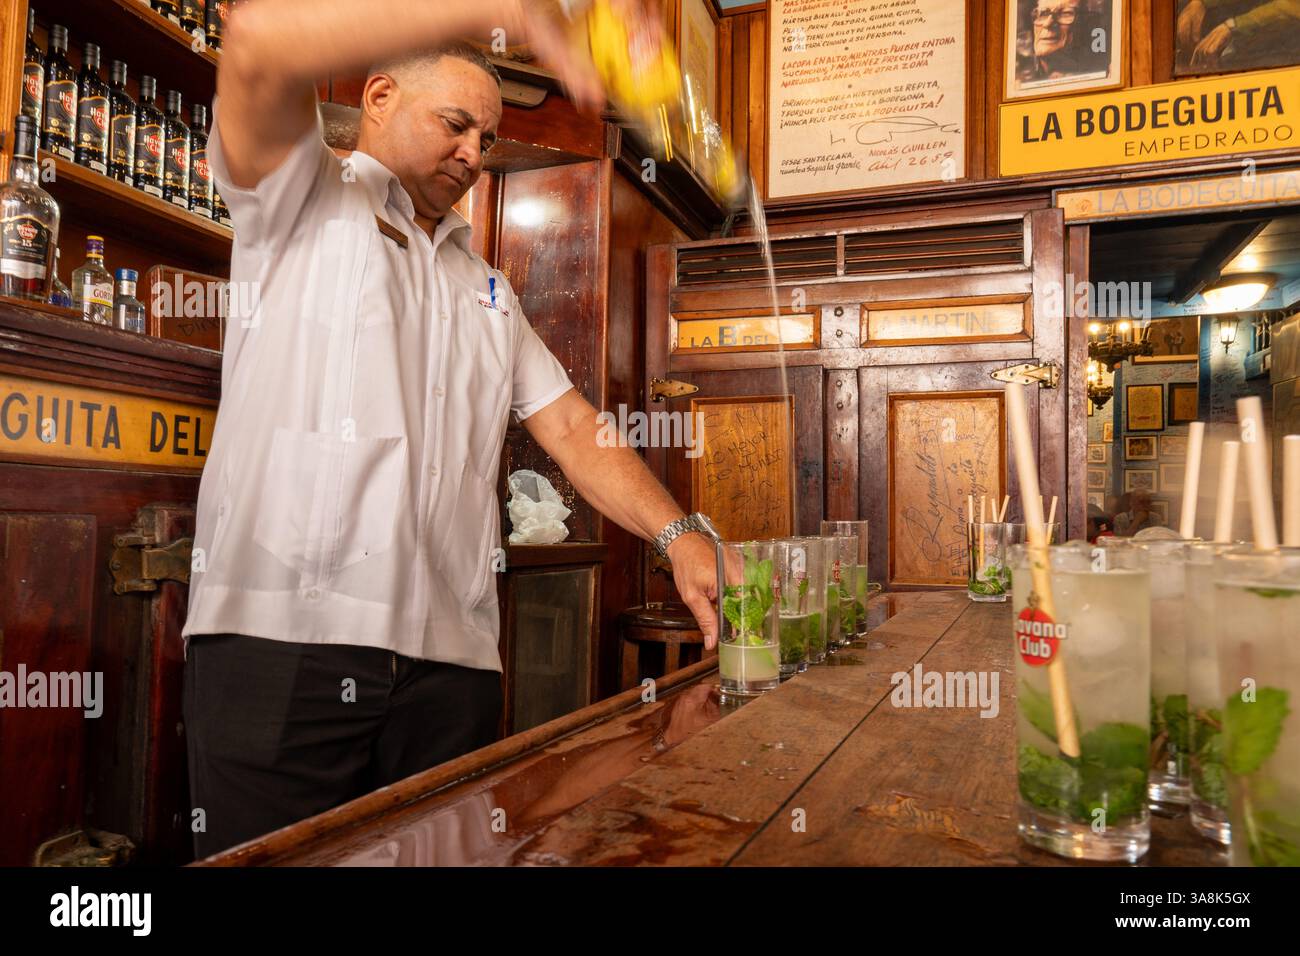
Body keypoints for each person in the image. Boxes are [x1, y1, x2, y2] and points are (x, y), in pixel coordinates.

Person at [181, 0, 721, 858]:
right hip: (285, 648)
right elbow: (254, 44)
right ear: (381, 96)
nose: (474, 153)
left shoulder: (488, 289)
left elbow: (577, 428)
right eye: (456, 124)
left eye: (487, 138)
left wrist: (682, 533)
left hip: (451, 670)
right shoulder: (297, 194)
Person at [1017, 0, 1110, 83]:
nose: (1047, 24)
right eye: (1042, 14)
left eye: (1065, 13)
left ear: (1087, 23)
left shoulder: (1103, 77)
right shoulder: (1020, 81)